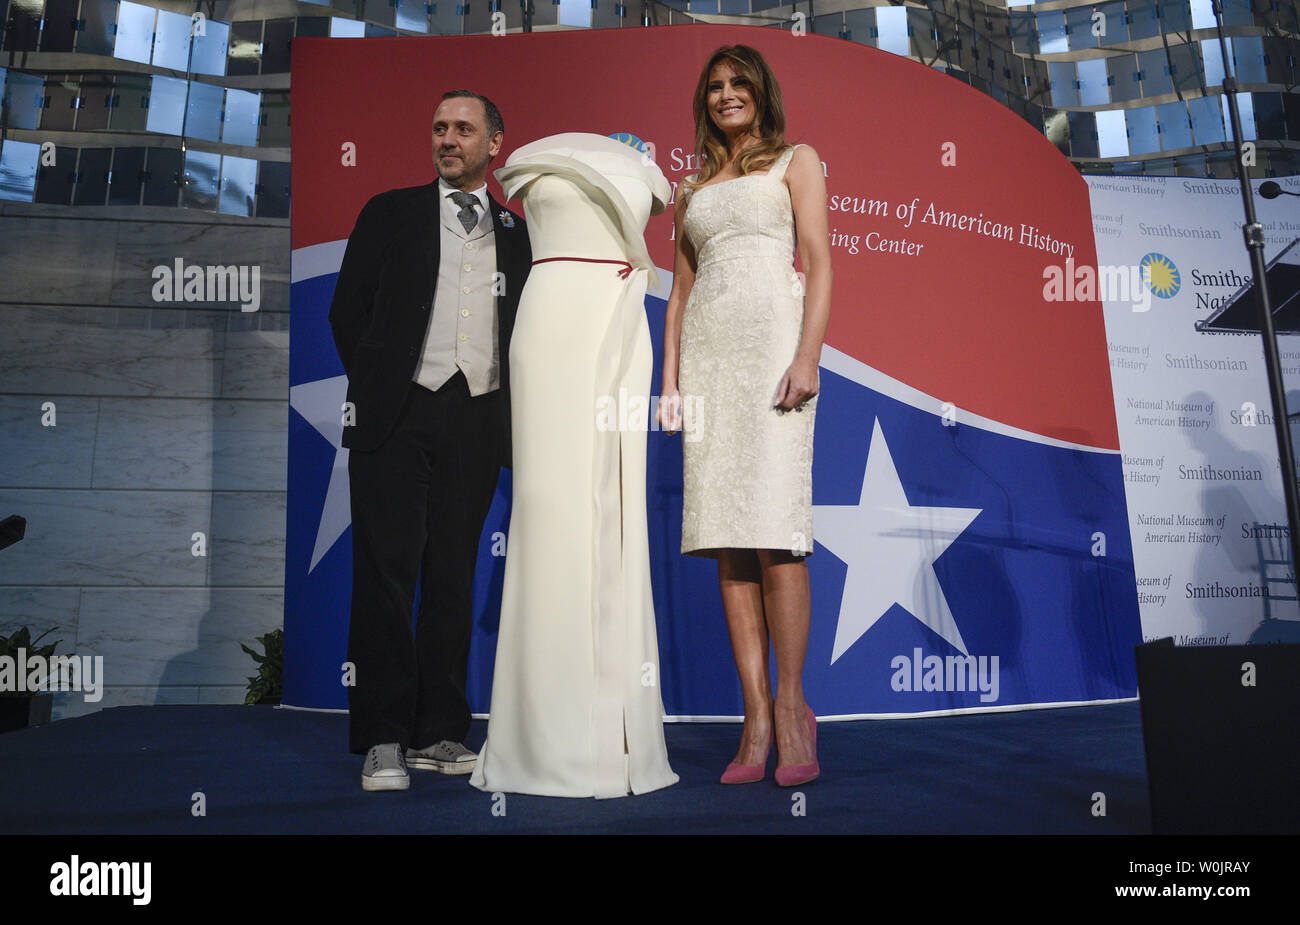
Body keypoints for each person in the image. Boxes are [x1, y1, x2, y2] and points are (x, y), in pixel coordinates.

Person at [328, 90, 531, 791]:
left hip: (478, 418)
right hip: (395, 416)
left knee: (452, 573)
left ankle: (440, 730)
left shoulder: (518, 233)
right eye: (440, 127)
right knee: (387, 574)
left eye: (464, 128)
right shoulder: (390, 212)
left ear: (494, 143)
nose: (449, 138)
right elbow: (346, 309)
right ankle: (382, 736)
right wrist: (385, 384)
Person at [468, 132, 679, 798]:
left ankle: (614, 733)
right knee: (547, 510)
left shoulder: (642, 170)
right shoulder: (533, 162)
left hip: (616, 321)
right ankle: (542, 734)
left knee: (612, 511)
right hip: (548, 321)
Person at [658, 45, 832, 786]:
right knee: (728, 538)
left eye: (739, 84)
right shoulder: (690, 187)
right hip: (709, 362)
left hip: (772, 352)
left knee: (776, 535)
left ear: (761, 93)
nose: (728, 94)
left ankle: (793, 709)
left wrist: (807, 356)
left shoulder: (797, 159)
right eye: (716, 87)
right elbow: (678, 294)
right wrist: (669, 383)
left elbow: (819, 260)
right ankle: (754, 715)